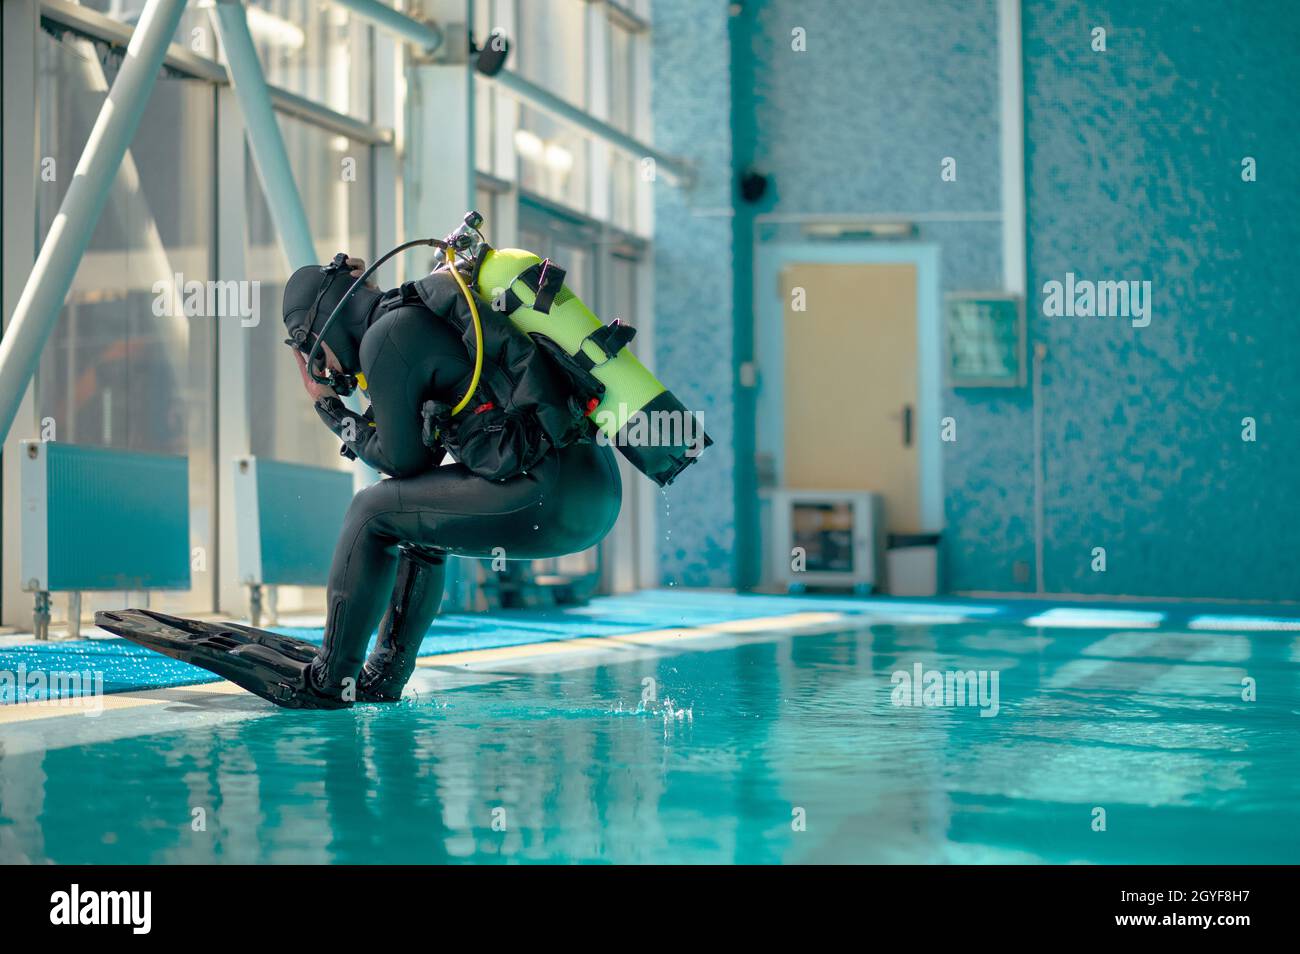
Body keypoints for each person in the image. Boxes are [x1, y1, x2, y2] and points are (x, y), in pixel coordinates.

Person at [261, 254, 622, 707]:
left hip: (548, 497)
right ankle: (382, 675)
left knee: (370, 511)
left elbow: (401, 461)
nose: (328, 371)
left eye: (316, 355)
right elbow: (420, 464)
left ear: (317, 330)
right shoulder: (417, 314)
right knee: (415, 521)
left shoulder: (385, 337)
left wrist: (330, 409)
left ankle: (330, 679)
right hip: (593, 491)